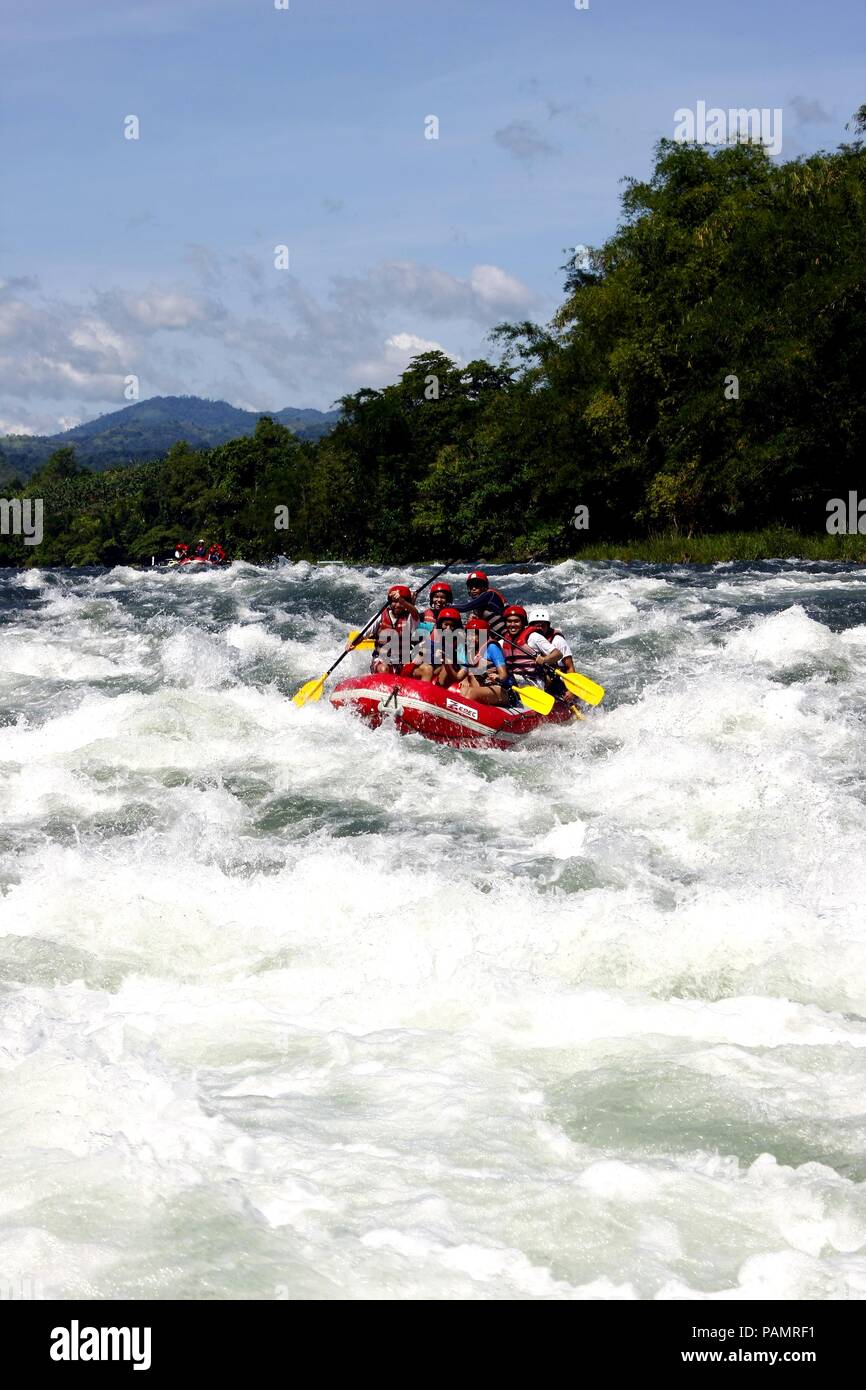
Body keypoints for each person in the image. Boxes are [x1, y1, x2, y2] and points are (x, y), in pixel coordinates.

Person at [501, 605, 562, 691]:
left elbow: (558, 654)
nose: (512, 625)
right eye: (509, 621)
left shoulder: (533, 637)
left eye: (516, 621)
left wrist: (544, 660)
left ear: (523, 623)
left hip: (534, 682)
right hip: (514, 681)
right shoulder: (502, 641)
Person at [367, 584, 419, 674]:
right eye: (395, 601)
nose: (398, 605)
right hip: (381, 659)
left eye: (401, 603)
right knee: (384, 669)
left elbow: (415, 613)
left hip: (401, 661)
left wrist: (403, 602)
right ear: (390, 602)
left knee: (423, 669)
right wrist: (352, 643)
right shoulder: (380, 616)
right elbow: (364, 634)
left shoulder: (410, 618)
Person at [457, 617, 509, 706]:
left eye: (474, 635)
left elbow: (504, 675)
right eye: (469, 635)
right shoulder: (471, 651)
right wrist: (447, 663)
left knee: (470, 693)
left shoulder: (492, 648)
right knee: (463, 691)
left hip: (499, 689)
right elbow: (460, 675)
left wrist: (497, 677)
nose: (470, 638)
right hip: (482, 687)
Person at [412, 607, 468, 686]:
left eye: (452, 626)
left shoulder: (458, 641)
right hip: (421, 667)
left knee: (449, 663)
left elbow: (463, 667)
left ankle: (439, 687)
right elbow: (413, 622)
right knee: (428, 668)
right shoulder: (430, 628)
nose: (448, 629)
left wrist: (463, 678)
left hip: (439, 669)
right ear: (440, 624)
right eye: (446, 624)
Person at [454, 569, 508, 637]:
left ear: (484, 587)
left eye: (477, 585)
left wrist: (447, 606)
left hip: (504, 637)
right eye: (471, 587)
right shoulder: (476, 606)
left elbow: (464, 607)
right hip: (491, 637)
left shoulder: (490, 595)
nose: (473, 589)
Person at [525, 608, 575, 673]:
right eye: (537, 626)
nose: (540, 628)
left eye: (543, 625)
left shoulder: (558, 640)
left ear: (548, 626)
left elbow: (570, 667)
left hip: (558, 676)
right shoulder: (529, 638)